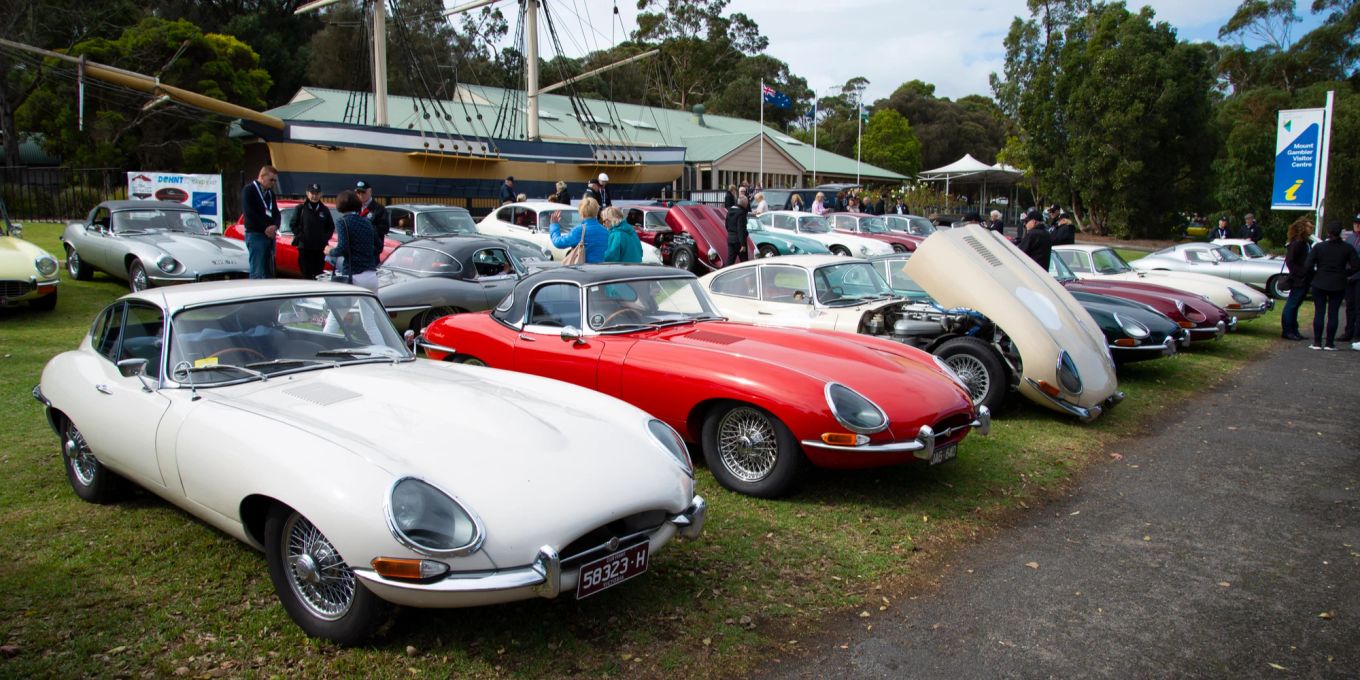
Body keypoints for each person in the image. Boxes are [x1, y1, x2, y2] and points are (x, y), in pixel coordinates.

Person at [1302, 222, 1360, 350]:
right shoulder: (1347, 248)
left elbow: (1308, 265)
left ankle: (1317, 342)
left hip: (1320, 281)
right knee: (1333, 313)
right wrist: (1345, 273)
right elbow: (1356, 266)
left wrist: (1315, 274)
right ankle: (1329, 343)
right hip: (1338, 282)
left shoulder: (1319, 247)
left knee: (1319, 312)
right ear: (1340, 233)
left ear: (1328, 232)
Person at [329, 189, 380, 292]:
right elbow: (378, 246)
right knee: (369, 308)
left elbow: (342, 248)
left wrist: (329, 251)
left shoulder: (342, 221)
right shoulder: (367, 222)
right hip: (371, 276)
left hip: (354, 276)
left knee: (342, 308)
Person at [240, 165, 280, 279]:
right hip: (256, 234)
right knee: (257, 270)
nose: (273, 183)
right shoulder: (249, 190)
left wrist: (275, 226)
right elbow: (250, 214)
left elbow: (276, 213)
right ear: (262, 177)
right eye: (271, 180)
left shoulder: (270, 193)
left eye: (275, 181)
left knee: (269, 271)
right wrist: (265, 228)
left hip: (270, 236)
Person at [289, 183, 334, 280]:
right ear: (307, 193)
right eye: (312, 193)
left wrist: (323, 238)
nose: (314, 196)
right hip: (305, 249)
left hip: (319, 249)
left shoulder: (324, 210)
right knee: (307, 276)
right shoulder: (300, 208)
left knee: (319, 276)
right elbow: (293, 225)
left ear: (320, 194)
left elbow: (330, 227)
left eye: (317, 193)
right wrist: (302, 237)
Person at [1279, 216, 1314, 341]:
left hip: (1304, 278)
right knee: (1292, 304)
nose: (1311, 229)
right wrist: (1302, 273)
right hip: (1299, 279)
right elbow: (1290, 261)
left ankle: (1294, 329)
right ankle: (1288, 330)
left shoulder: (1305, 243)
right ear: (1303, 228)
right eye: (1309, 227)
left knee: (1296, 304)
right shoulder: (1297, 244)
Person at [549, 196, 608, 263]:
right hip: (601, 269)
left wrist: (554, 225)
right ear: (597, 211)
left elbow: (559, 243)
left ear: (581, 212)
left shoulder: (579, 230)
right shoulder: (605, 231)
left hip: (584, 270)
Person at [1340, 214, 1360, 343]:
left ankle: (1357, 334)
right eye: (1355, 223)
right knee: (1350, 306)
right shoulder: (1350, 238)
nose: (1357, 225)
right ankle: (1348, 331)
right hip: (1349, 277)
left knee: (1359, 307)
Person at [725, 196, 750, 265]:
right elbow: (741, 229)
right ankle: (747, 275)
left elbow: (726, 225)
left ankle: (726, 274)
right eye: (747, 203)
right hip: (739, 240)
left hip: (730, 238)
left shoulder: (730, 211)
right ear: (744, 204)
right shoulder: (741, 213)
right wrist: (742, 244)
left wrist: (731, 233)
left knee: (730, 260)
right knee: (744, 261)